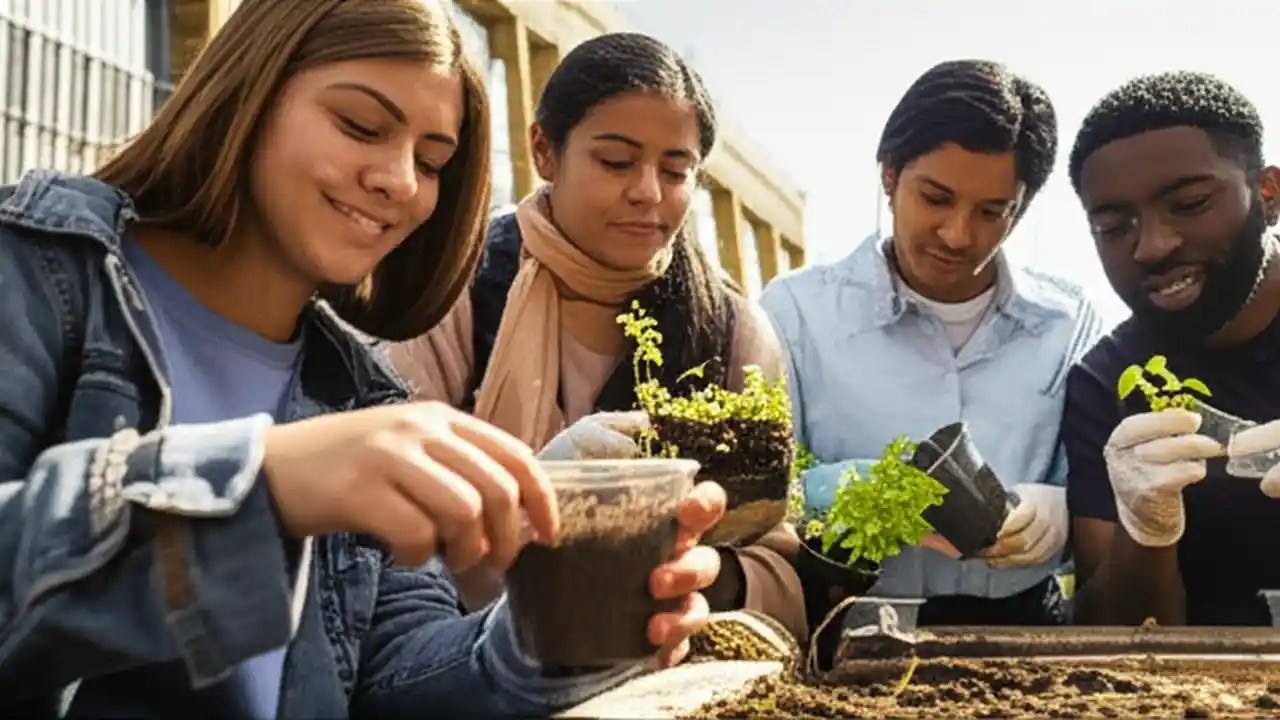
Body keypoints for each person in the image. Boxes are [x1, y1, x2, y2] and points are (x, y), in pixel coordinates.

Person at [0, 1, 722, 716]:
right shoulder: (37, 275)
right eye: (360, 126)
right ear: (250, 89)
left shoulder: (364, 397)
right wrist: (264, 483)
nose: (401, 182)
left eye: (432, 160)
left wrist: (554, 635)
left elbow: (391, 680)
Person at [389, 31, 806, 640]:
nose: (646, 192)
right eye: (615, 162)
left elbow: (777, 556)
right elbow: (391, 515)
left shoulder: (732, 328)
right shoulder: (454, 286)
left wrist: (701, 578)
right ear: (545, 150)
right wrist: (540, 496)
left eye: (675, 171)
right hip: (463, 657)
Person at [761, 60, 1103, 630]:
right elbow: (761, 497)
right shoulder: (796, 312)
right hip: (848, 625)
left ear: (1018, 212)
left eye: (992, 212)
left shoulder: (1068, 322)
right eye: (936, 198)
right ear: (889, 175)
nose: (958, 234)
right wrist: (849, 491)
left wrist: (1063, 511)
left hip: (1023, 628)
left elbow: (1099, 493)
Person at [1064, 71, 1280, 627]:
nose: (1152, 246)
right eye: (1114, 227)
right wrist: (1146, 531)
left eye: (1190, 203)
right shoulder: (1105, 381)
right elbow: (1104, 636)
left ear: (1268, 195)